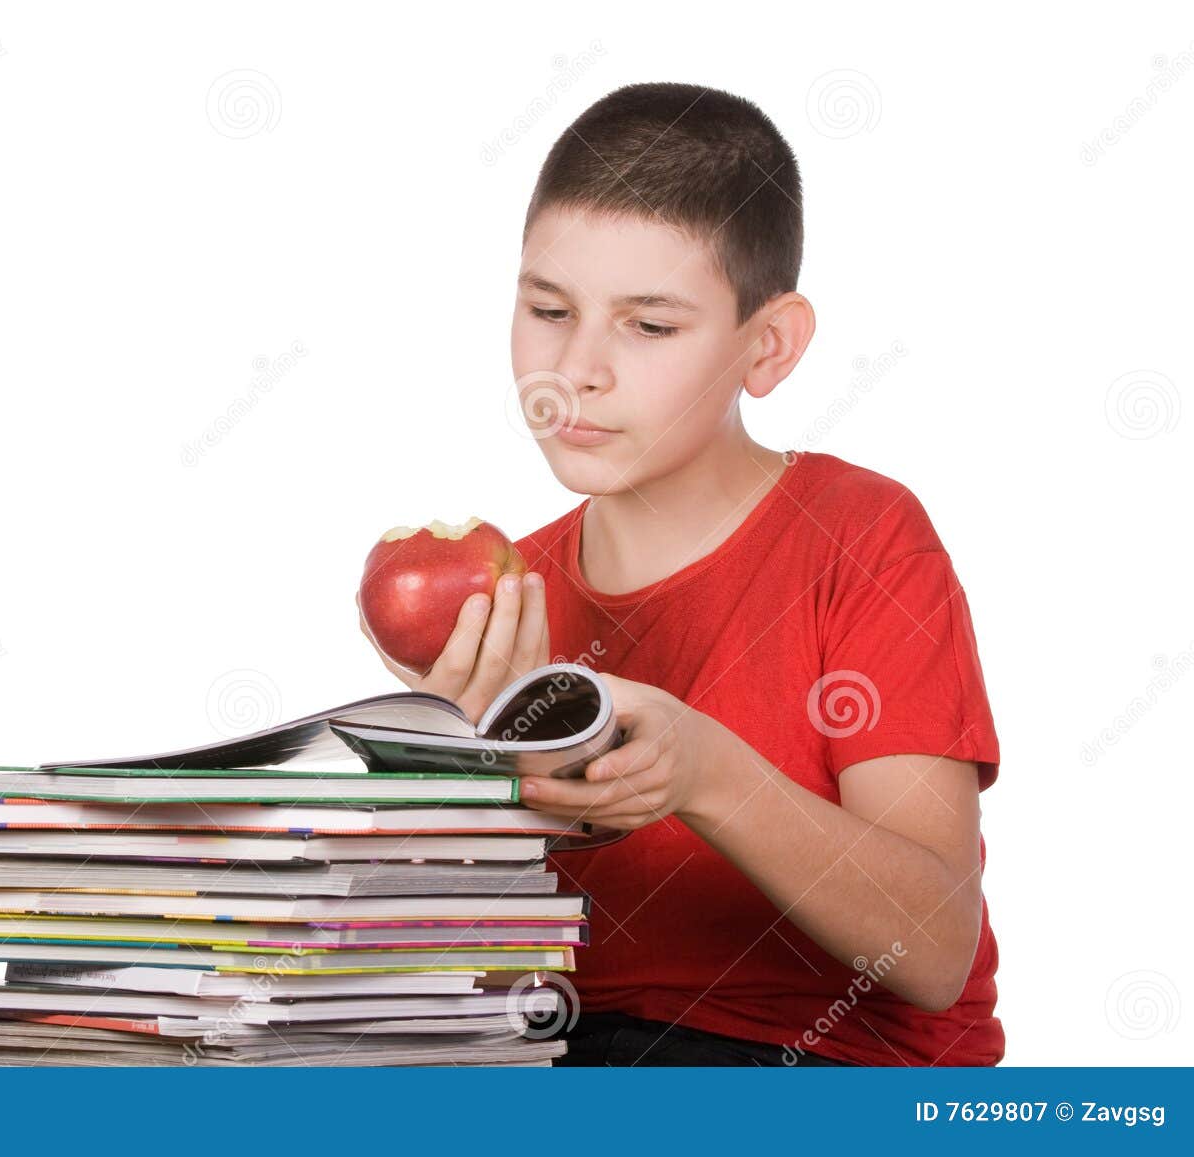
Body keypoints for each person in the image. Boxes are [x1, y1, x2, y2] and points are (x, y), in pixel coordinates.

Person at [356, 82, 1001, 1066]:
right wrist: (458, 783)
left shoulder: (861, 537)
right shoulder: (507, 592)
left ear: (767, 345)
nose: (574, 369)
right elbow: (448, 989)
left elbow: (933, 949)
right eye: (548, 309)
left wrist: (706, 772)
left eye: (647, 326)